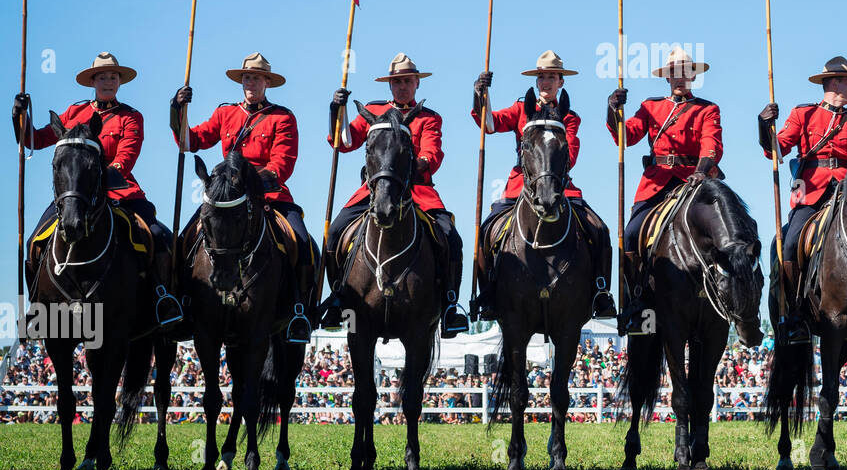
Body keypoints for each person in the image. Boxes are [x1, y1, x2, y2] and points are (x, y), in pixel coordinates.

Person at [14, 52, 182, 328]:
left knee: (160, 237)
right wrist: (19, 114)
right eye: (102, 76)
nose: (108, 81)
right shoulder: (73, 113)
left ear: (119, 82)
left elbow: (126, 157)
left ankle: (162, 298)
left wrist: (102, 179)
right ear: (93, 81)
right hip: (76, 195)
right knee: (35, 240)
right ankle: (37, 306)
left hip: (119, 191)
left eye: (113, 77)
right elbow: (34, 138)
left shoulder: (131, 117)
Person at [609, 46, 759, 344]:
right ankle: (635, 302)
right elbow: (625, 137)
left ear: (693, 76)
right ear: (667, 78)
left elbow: (711, 143)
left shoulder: (707, 108)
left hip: (696, 182)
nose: (679, 78)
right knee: (631, 234)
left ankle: (745, 301)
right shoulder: (650, 107)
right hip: (657, 183)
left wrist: (703, 170)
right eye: (673, 73)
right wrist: (613, 109)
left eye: (684, 72)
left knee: (741, 230)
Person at [320, 53, 470, 336]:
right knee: (336, 231)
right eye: (397, 81)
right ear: (390, 85)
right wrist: (337, 111)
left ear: (417, 83)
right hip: (374, 191)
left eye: (407, 81)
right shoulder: (373, 111)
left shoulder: (428, 117)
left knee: (451, 236)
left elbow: (432, 153)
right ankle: (337, 298)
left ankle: (449, 304)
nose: (402, 86)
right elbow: (343, 142)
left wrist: (416, 163)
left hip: (416, 190)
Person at [171, 52, 314, 343]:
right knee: (183, 239)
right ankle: (181, 304)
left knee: (302, 241)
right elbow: (191, 141)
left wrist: (249, 183)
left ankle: (300, 310)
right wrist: (177, 110)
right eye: (247, 77)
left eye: (257, 78)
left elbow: (281, 164)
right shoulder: (225, 114)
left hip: (269, 196)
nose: (251, 82)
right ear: (241, 81)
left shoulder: (282, 117)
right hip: (225, 202)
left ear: (267, 82)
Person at [471, 50, 614, 321]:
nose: (546, 82)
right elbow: (488, 125)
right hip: (521, 187)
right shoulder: (519, 109)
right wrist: (481, 97)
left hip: (559, 185)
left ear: (561, 81)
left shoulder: (569, 117)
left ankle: (600, 291)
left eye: (551, 77)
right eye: (541, 77)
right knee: (486, 230)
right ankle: (488, 293)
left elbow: (570, 155)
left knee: (599, 229)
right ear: (536, 82)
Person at [757, 56, 847, 344]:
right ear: (834, 83)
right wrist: (764, 124)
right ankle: (794, 313)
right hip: (810, 193)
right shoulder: (803, 115)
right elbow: (776, 149)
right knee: (791, 242)